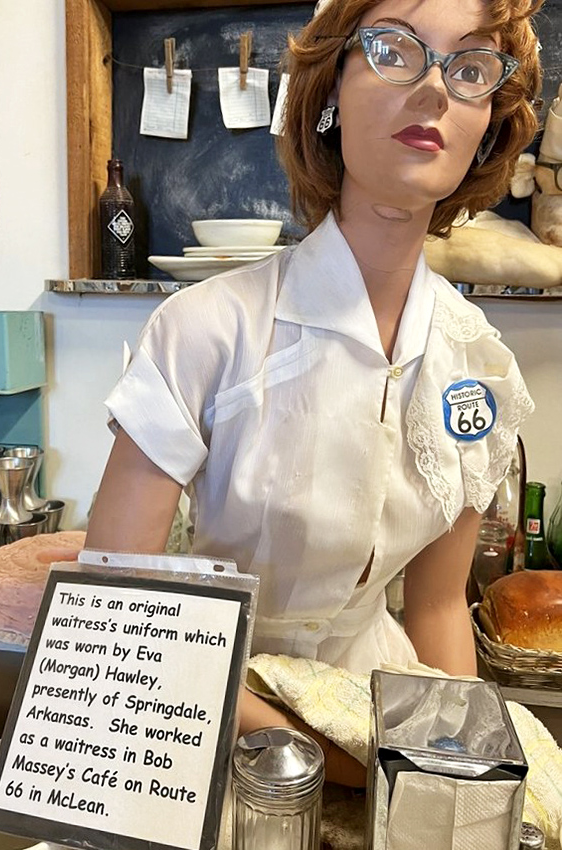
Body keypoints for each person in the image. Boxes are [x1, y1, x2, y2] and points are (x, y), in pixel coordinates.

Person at [85, 0, 544, 785]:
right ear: (328, 91)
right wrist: (340, 760)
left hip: (388, 719)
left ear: (487, 130)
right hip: (216, 719)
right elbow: (114, 614)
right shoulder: (204, 329)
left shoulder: (479, 364)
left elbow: (435, 610)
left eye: (470, 69)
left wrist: (457, 778)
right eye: (396, 52)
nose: (435, 90)